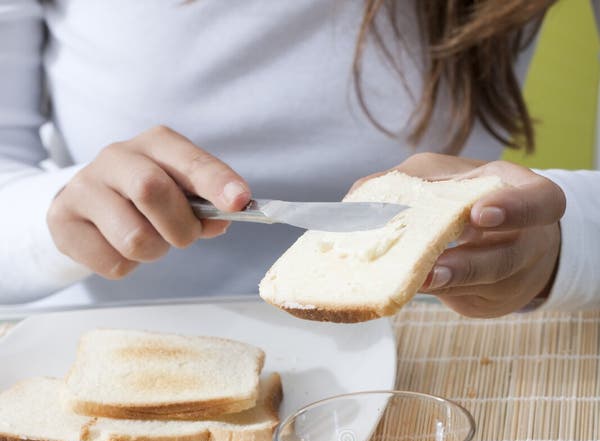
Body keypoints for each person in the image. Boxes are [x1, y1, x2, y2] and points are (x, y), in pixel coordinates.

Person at [0, 0, 598, 317]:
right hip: (108, 330)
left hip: (450, 358)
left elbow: (568, 230)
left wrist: (560, 246)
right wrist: (54, 217)